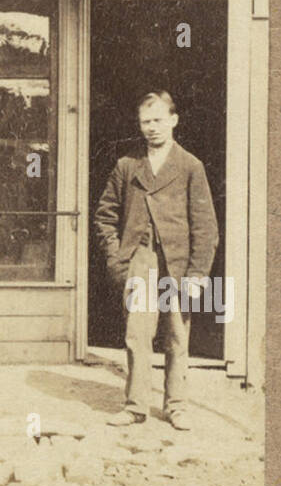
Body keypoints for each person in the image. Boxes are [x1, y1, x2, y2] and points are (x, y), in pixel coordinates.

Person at [93, 91, 219, 430]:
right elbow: (105, 216)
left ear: (173, 120)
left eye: (158, 120)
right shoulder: (127, 165)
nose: (152, 128)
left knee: (177, 336)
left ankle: (177, 406)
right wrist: (117, 258)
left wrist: (197, 273)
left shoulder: (191, 166)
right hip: (141, 260)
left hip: (177, 264)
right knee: (137, 334)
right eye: (145, 121)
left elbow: (206, 228)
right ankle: (135, 406)